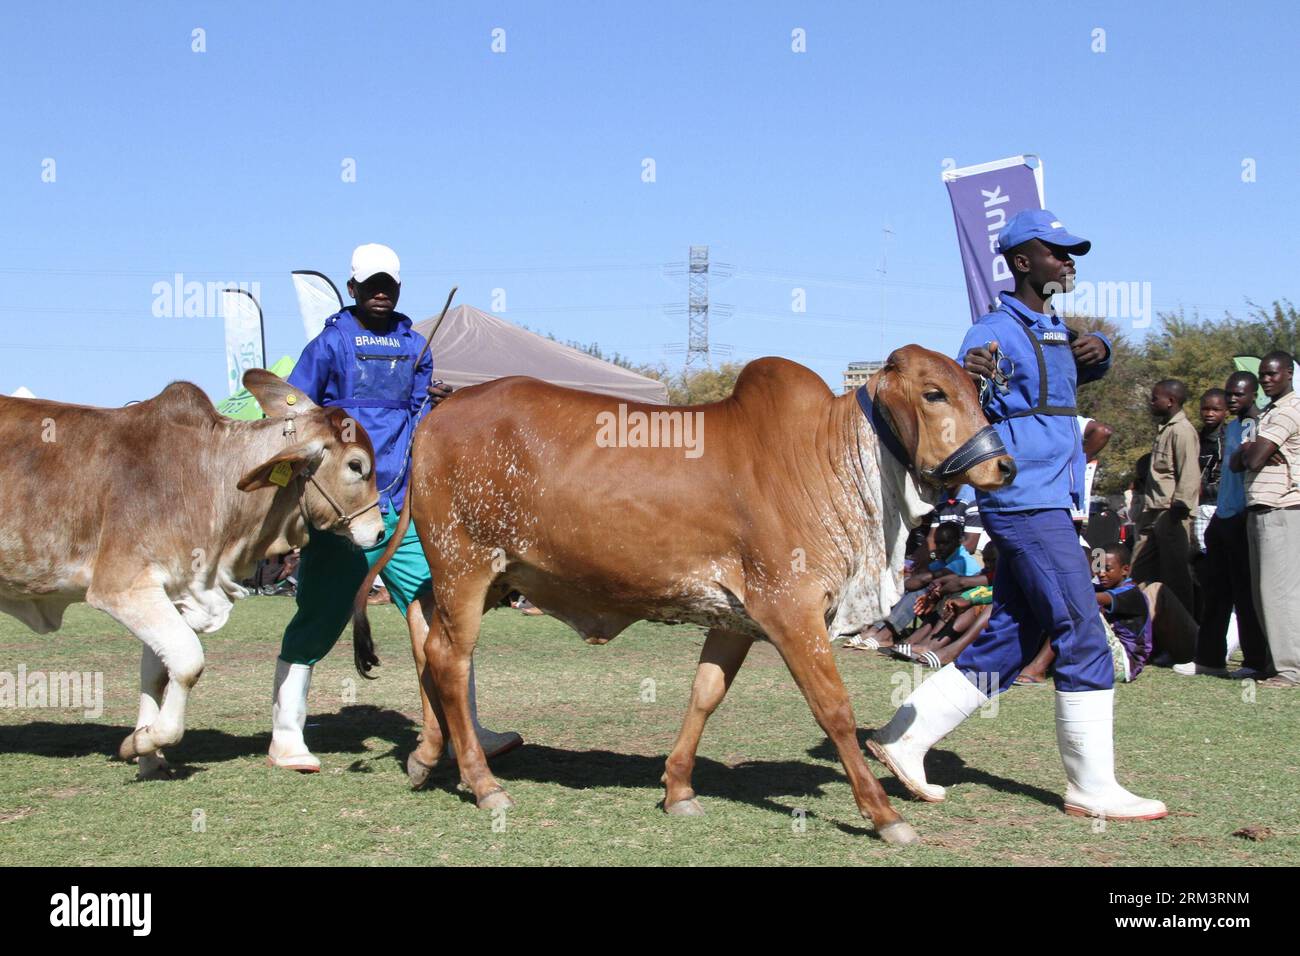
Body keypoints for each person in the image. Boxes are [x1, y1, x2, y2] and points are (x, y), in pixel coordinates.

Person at [869, 208, 1166, 820]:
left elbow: (1084, 361)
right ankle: (1091, 787)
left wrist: (1102, 348)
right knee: (1082, 630)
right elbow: (958, 395)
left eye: (1071, 252)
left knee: (1015, 633)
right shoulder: (990, 333)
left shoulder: (1054, 326)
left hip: (1052, 497)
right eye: (1056, 252)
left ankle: (905, 737)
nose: (1069, 260)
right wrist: (970, 376)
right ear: (1022, 262)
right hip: (1023, 499)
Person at [268, 243, 522, 771]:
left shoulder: (415, 345)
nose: (381, 291)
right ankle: (286, 735)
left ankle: (463, 732)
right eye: (371, 284)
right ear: (353, 288)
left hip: (405, 510)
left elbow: (415, 414)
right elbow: (292, 411)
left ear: (399, 288)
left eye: (390, 283)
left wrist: (438, 402)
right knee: (318, 616)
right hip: (343, 513)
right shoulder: (329, 343)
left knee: (440, 614)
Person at [1176, 371, 1268, 678]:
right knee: (1215, 593)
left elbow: (1247, 461)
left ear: (1253, 394)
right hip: (1222, 516)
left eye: (1238, 394)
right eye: (1229, 394)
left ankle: (1255, 662)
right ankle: (1209, 660)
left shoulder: (1255, 425)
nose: (1232, 399)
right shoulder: (1231, 427)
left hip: (1243, 517)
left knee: (1245, 596)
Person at [1233, 351, 1300, 688]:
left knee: (1280, 592)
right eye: (1263, 375)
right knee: (1262, 592)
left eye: (1273, 373)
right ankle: (1274, 664)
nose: (1267, 379)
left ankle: (1290, 670)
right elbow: (1238, 459)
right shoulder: (1267, 414)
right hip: (1259, 505)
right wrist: (1252, 450)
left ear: (1288, 374)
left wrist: (1254, 450)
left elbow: (1254, 455)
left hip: (1283, 508)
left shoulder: (1291, 410)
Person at [843, 522, 980, 650]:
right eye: (938, 543)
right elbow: (915, 579)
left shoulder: (961, 561)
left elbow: (923, 579)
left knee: (919, 591)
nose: (941, 547)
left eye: (945, 543)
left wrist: (917, 580)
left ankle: (887, 634)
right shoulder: (946, 558)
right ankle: (878, 628)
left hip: (958, 606)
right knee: (910, 586)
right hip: (939, 600)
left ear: (958, 541)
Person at [1129, 380, 1200, 614]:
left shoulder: (1182, 431)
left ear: (1170, 401)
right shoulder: (1166, 429)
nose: (1151, 402)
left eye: (1154, 398)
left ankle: (1186, 637)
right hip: (1152, 511)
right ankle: (1135, 627)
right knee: (1137, 572)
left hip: (1170, 513)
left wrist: (1178, 510)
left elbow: (1189, 473)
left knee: (1176, 577)